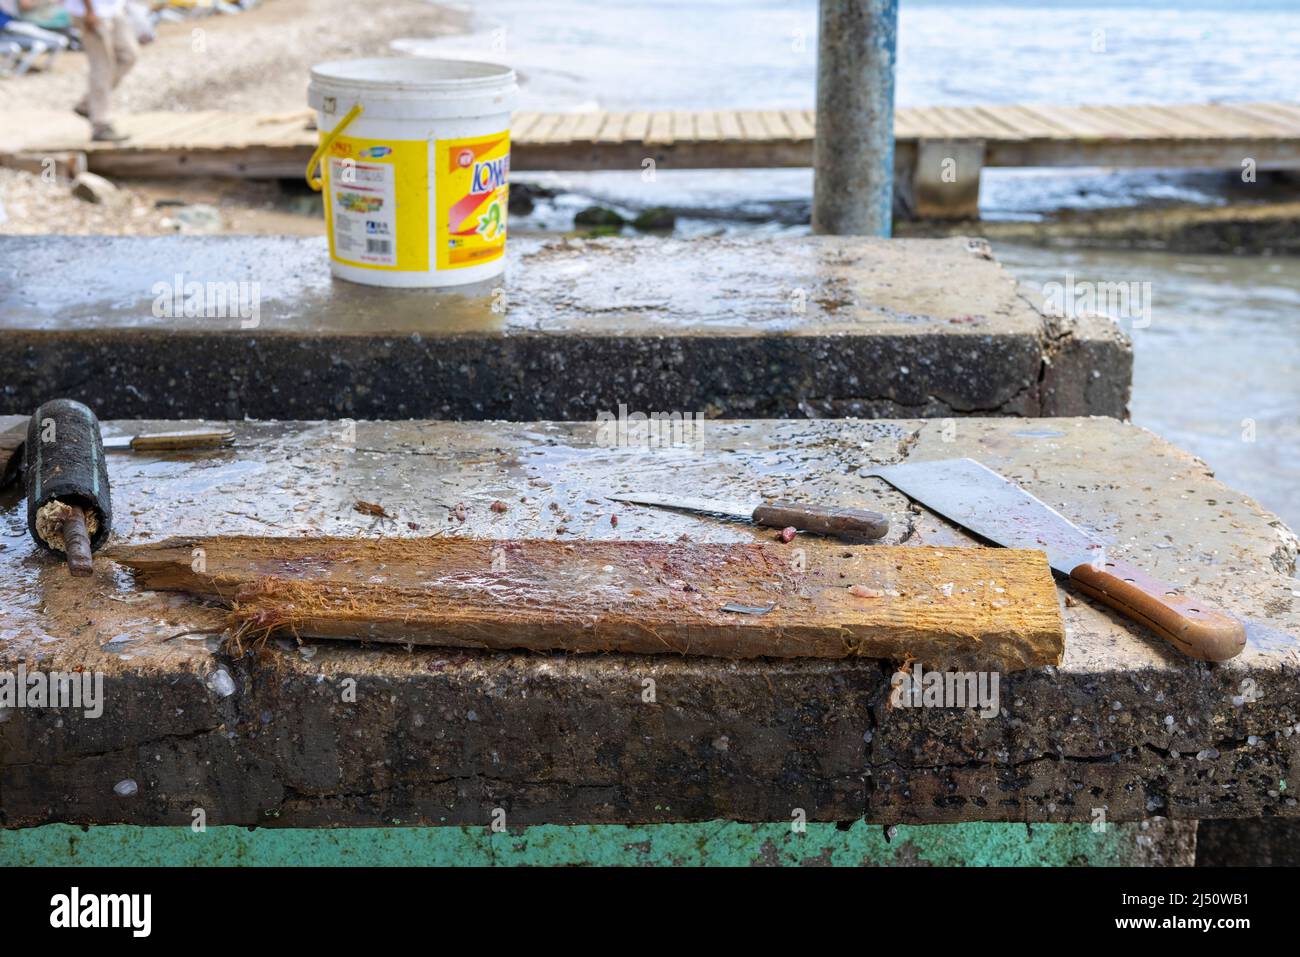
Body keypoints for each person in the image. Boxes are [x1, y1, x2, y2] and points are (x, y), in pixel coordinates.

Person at [64, 0, 137, 142]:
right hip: (92, 11)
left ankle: (89, 104)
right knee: (102, 66)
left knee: (129, 56)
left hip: (113, 8)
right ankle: (100, 124)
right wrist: (89, 11)